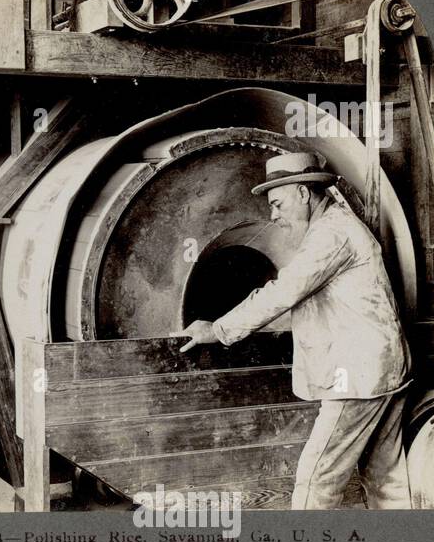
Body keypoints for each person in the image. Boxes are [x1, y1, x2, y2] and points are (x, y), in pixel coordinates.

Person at [173, 151, 413, 509]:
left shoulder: (332, 234)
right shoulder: (334, 226)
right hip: (383, 368)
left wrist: (219, 329)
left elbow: (283, 292)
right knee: (385, 480)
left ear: (303, 192)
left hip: (359, 377)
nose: (273, 215)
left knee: (316, 482)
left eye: (278, 203)